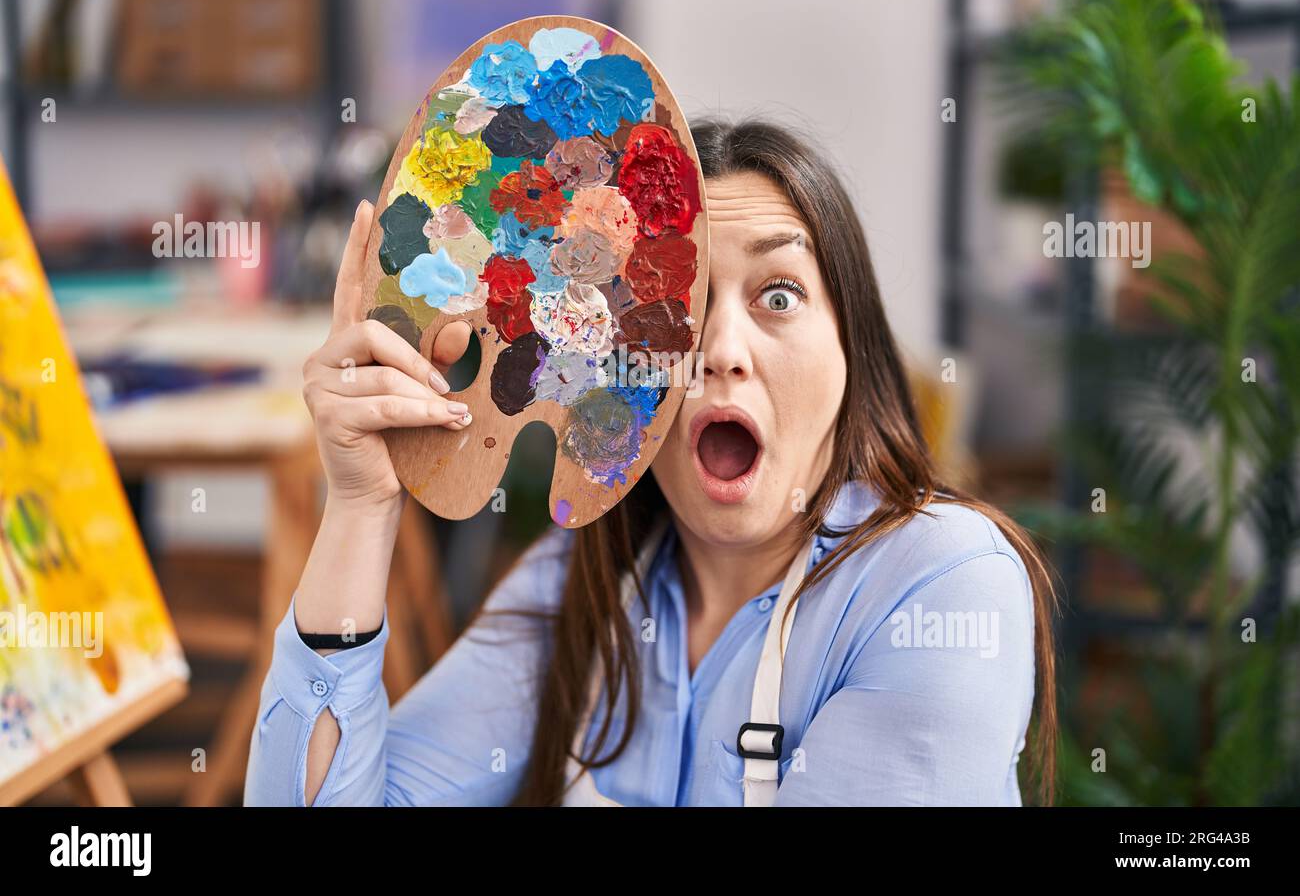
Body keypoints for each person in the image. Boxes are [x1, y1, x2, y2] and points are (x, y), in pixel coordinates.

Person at [244, 117, 1059, 807]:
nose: (721, 351)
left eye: (779, 296)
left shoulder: (944, 580)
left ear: (853, 349)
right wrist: (360, 507)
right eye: (676, 303)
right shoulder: (578, 581)